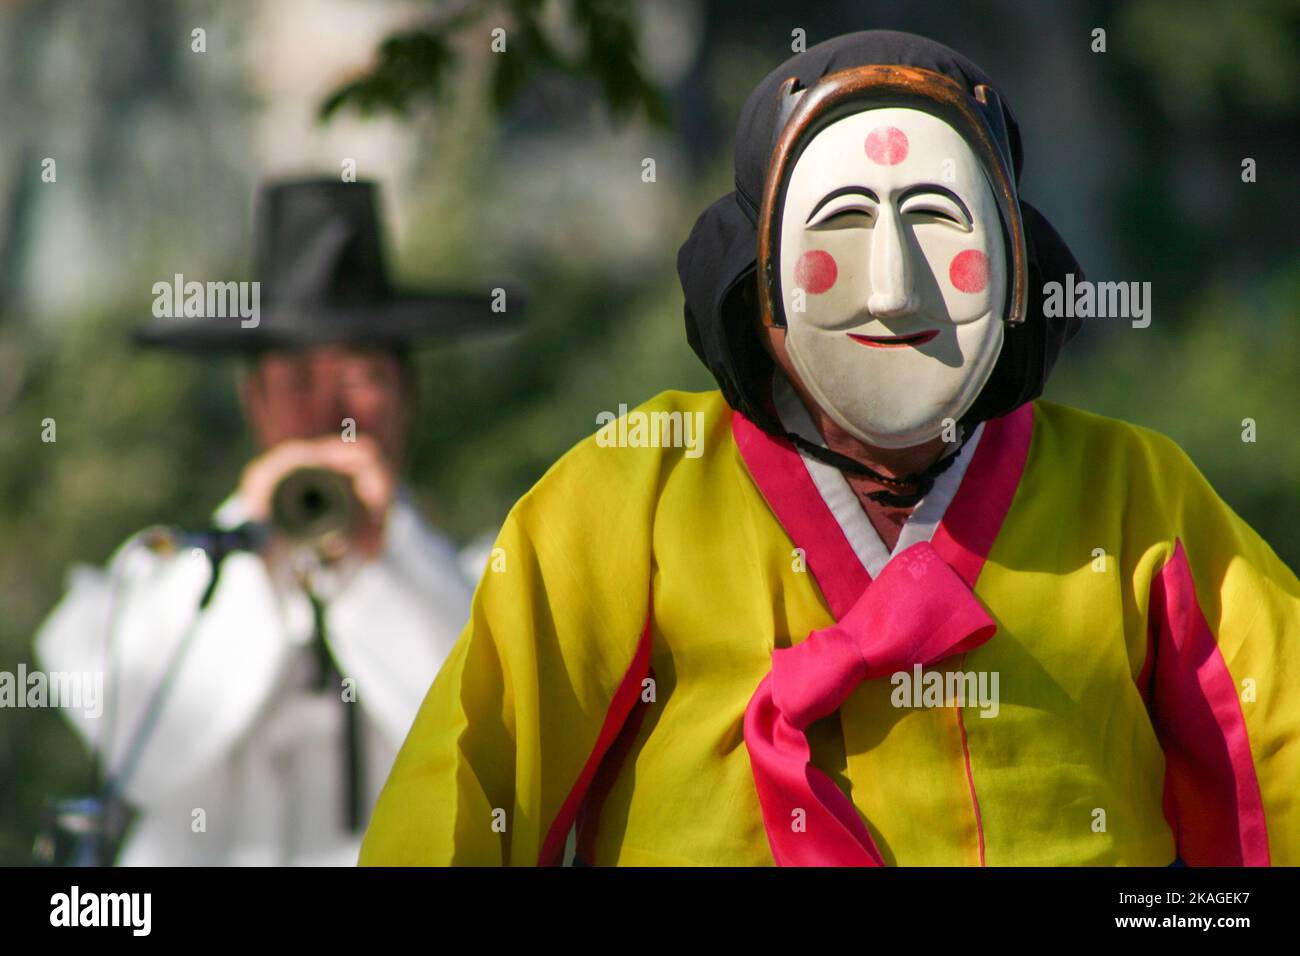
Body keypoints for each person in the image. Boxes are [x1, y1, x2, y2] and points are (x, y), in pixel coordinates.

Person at [359, 32, 1299, 867]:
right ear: (759, 282)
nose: (892, 287)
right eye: (841, 224)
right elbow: (458, 803)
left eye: (938, 217)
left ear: (1016, 264)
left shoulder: (1136, 496)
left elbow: (1281, 755)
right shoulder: (625, 499)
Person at [35, 178, 511, 866]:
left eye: (361, 376)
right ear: (252, 399)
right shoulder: (156, 583)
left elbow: (495, 739)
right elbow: (144, 751)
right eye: (295, 381)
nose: (328, 412)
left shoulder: (484, 581)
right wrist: (256, 551)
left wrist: (380, 563)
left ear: (408, 392)